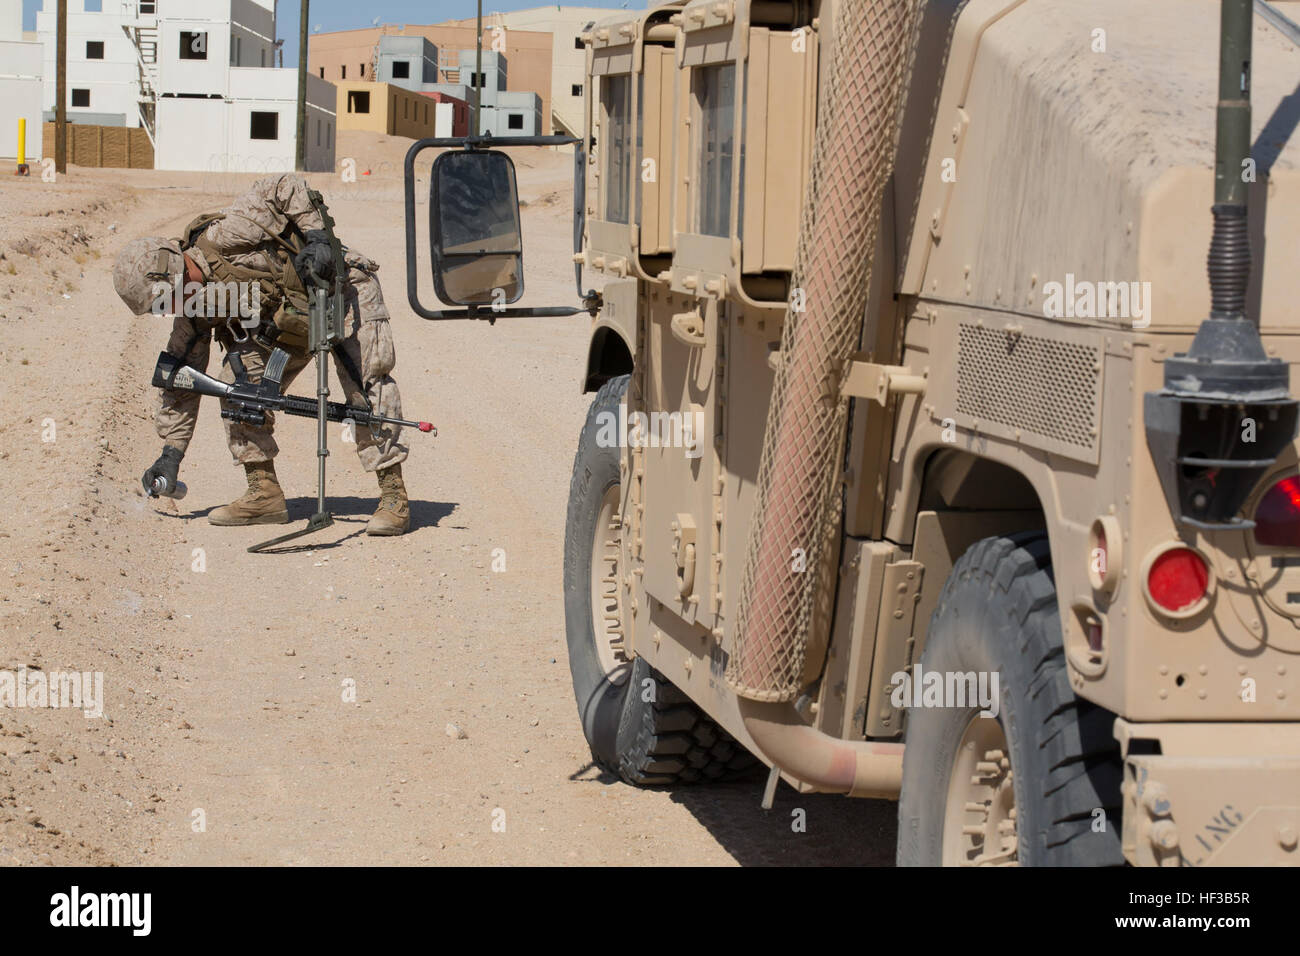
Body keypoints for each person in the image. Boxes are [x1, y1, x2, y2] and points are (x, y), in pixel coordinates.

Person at [111, 174, 410, 535]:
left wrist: (317, 237)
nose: (167, 310)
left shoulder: (226, 237)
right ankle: (263, 493)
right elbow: (181, 381)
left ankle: (394, 495)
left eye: (164, 300)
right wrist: (170, 454)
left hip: (341, 289)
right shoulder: (192, 308)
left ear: (173, 272)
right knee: (236, 387)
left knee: (365, 384)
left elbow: (283, 186)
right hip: (290, 324)